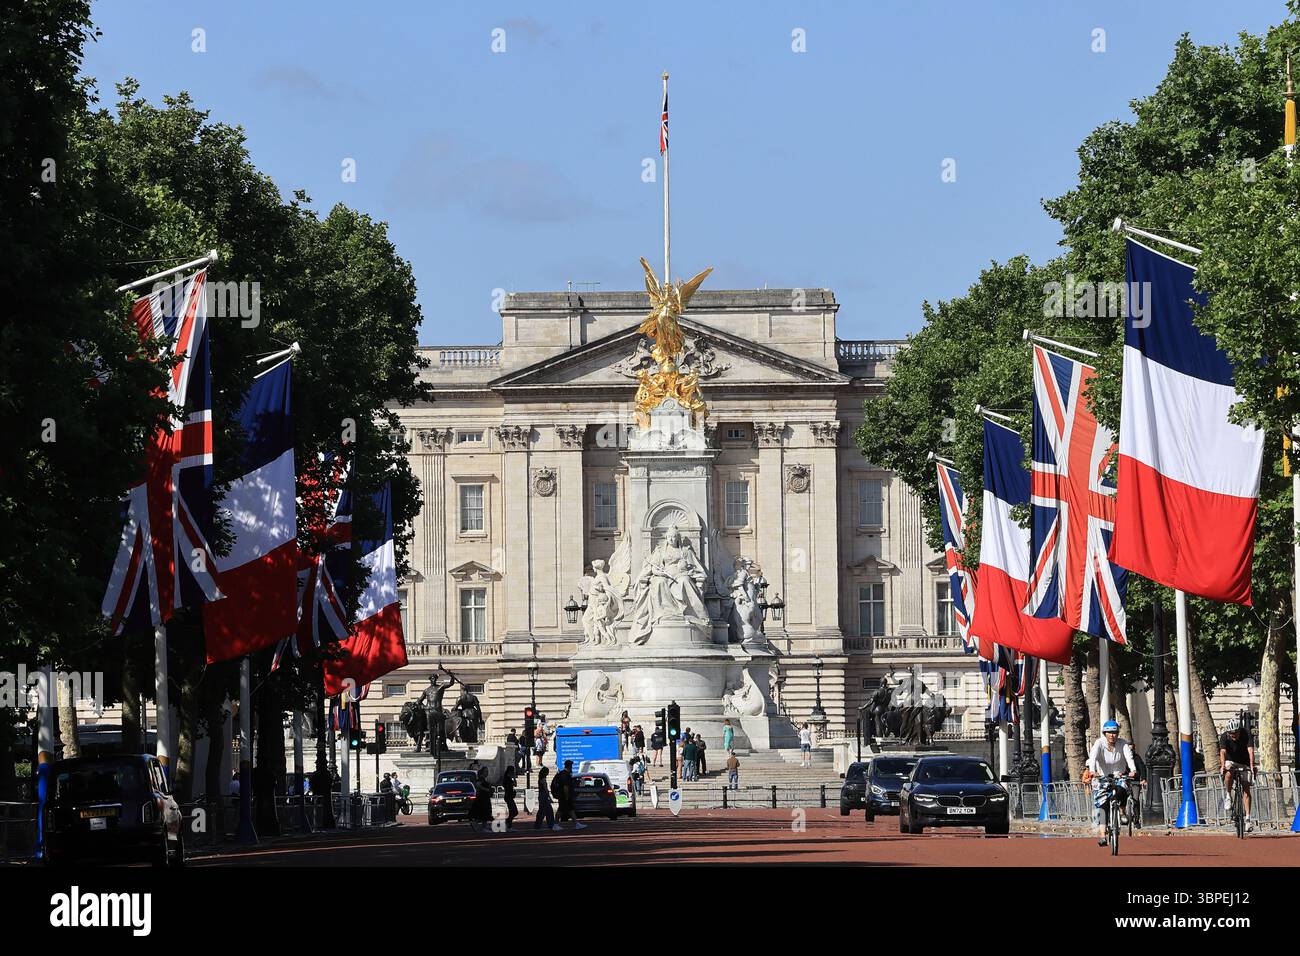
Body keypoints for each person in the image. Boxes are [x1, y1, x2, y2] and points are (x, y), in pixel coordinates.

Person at [1086, 719, 1137, 845]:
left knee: (1122, 790)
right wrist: (1092, 771)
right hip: (1102, 777)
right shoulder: (1099, 743)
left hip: (1119, 776)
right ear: (1104, 733)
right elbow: (1092, 757)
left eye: (1114, 732)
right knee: (1103, 806)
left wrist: (1133, 770)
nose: (1112, 735)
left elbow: (1129, 758)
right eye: (1109, 733)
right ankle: (1103, 835)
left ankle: (1122, 811)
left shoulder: (1123, 744)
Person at [1218, 716, 1256, 831]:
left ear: (1239, 731)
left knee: (1246, 789)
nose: (1233, 735)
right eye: (1231, 733)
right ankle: (1228, 795)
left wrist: (1252, 765)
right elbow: (1223, 752)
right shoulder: (1224, 736)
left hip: (1244, 762)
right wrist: (1222, 765)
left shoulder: (1246, 734)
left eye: (1235, 733)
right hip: (1231, 761)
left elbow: (1250, 750)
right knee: (1228, 771)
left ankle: (1248, 819)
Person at [551, 759, 585, 830]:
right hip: (564, 796)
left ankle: (576, 824)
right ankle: (555, 824)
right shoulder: (565, 775)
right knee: (561, 810)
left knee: (570, 809)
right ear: (569, 766)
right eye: (571, 766)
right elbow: (565, 787)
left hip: (564, 796)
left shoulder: (563, 773)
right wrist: (567, 797)